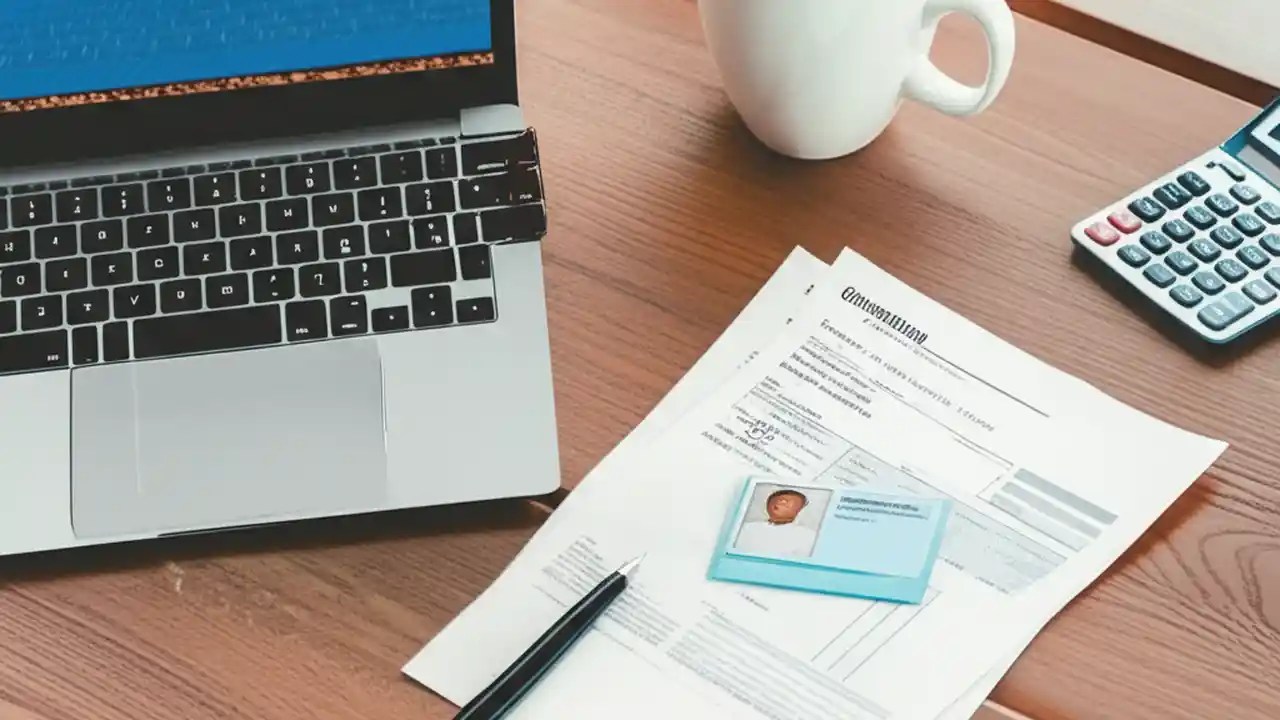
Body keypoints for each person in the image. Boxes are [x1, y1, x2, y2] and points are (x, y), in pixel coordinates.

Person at [734, 488, 818, 558]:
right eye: (776, 499)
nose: (781, 501)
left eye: (787, 501)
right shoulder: (745, 528)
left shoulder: (808, 536)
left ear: (801, 509)